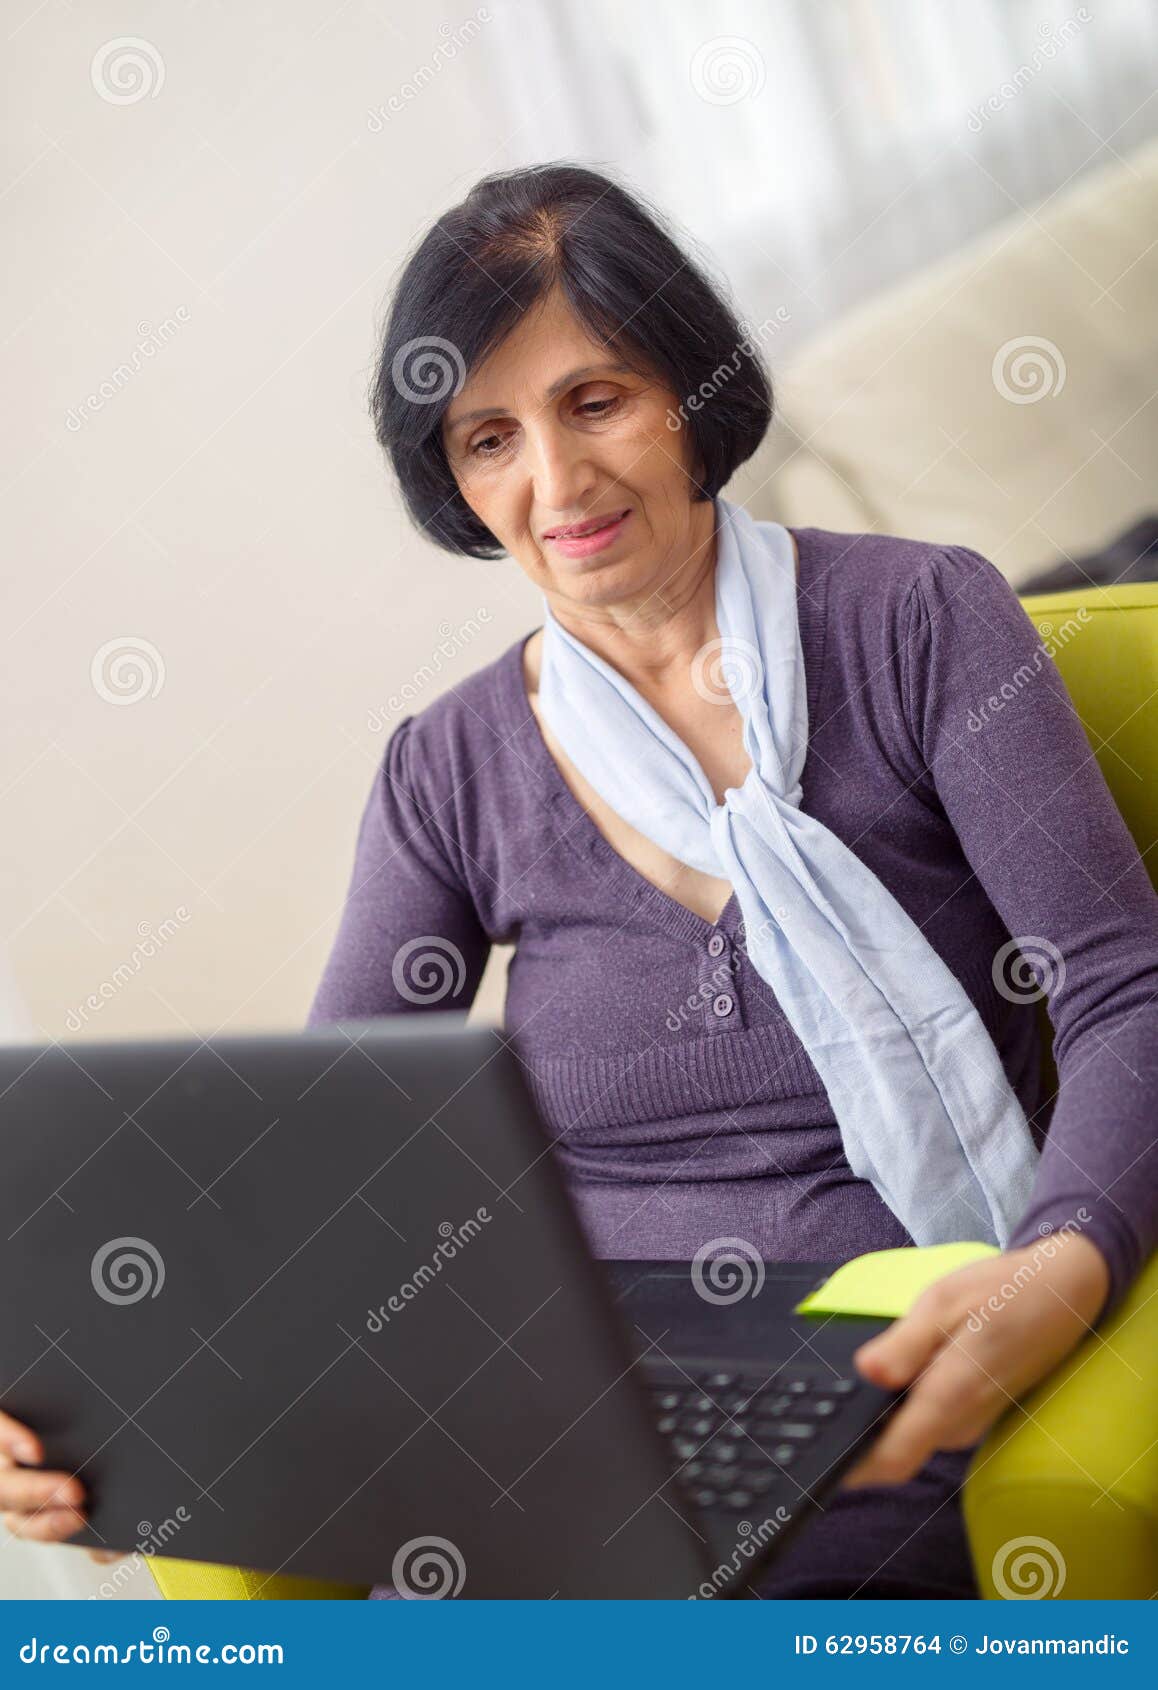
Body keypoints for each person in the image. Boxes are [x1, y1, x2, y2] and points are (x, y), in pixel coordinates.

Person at [5, 163, 1155, 1600]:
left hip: (886, 1345)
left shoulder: (919, 620)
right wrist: (133, 1428)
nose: (555, 485)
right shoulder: (448, 768)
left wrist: (1055, 1264)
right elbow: (325, 1159)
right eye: (489, 437)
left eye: (594, 401)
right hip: (571, 1382)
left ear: (689, 386)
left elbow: (1120, 986)